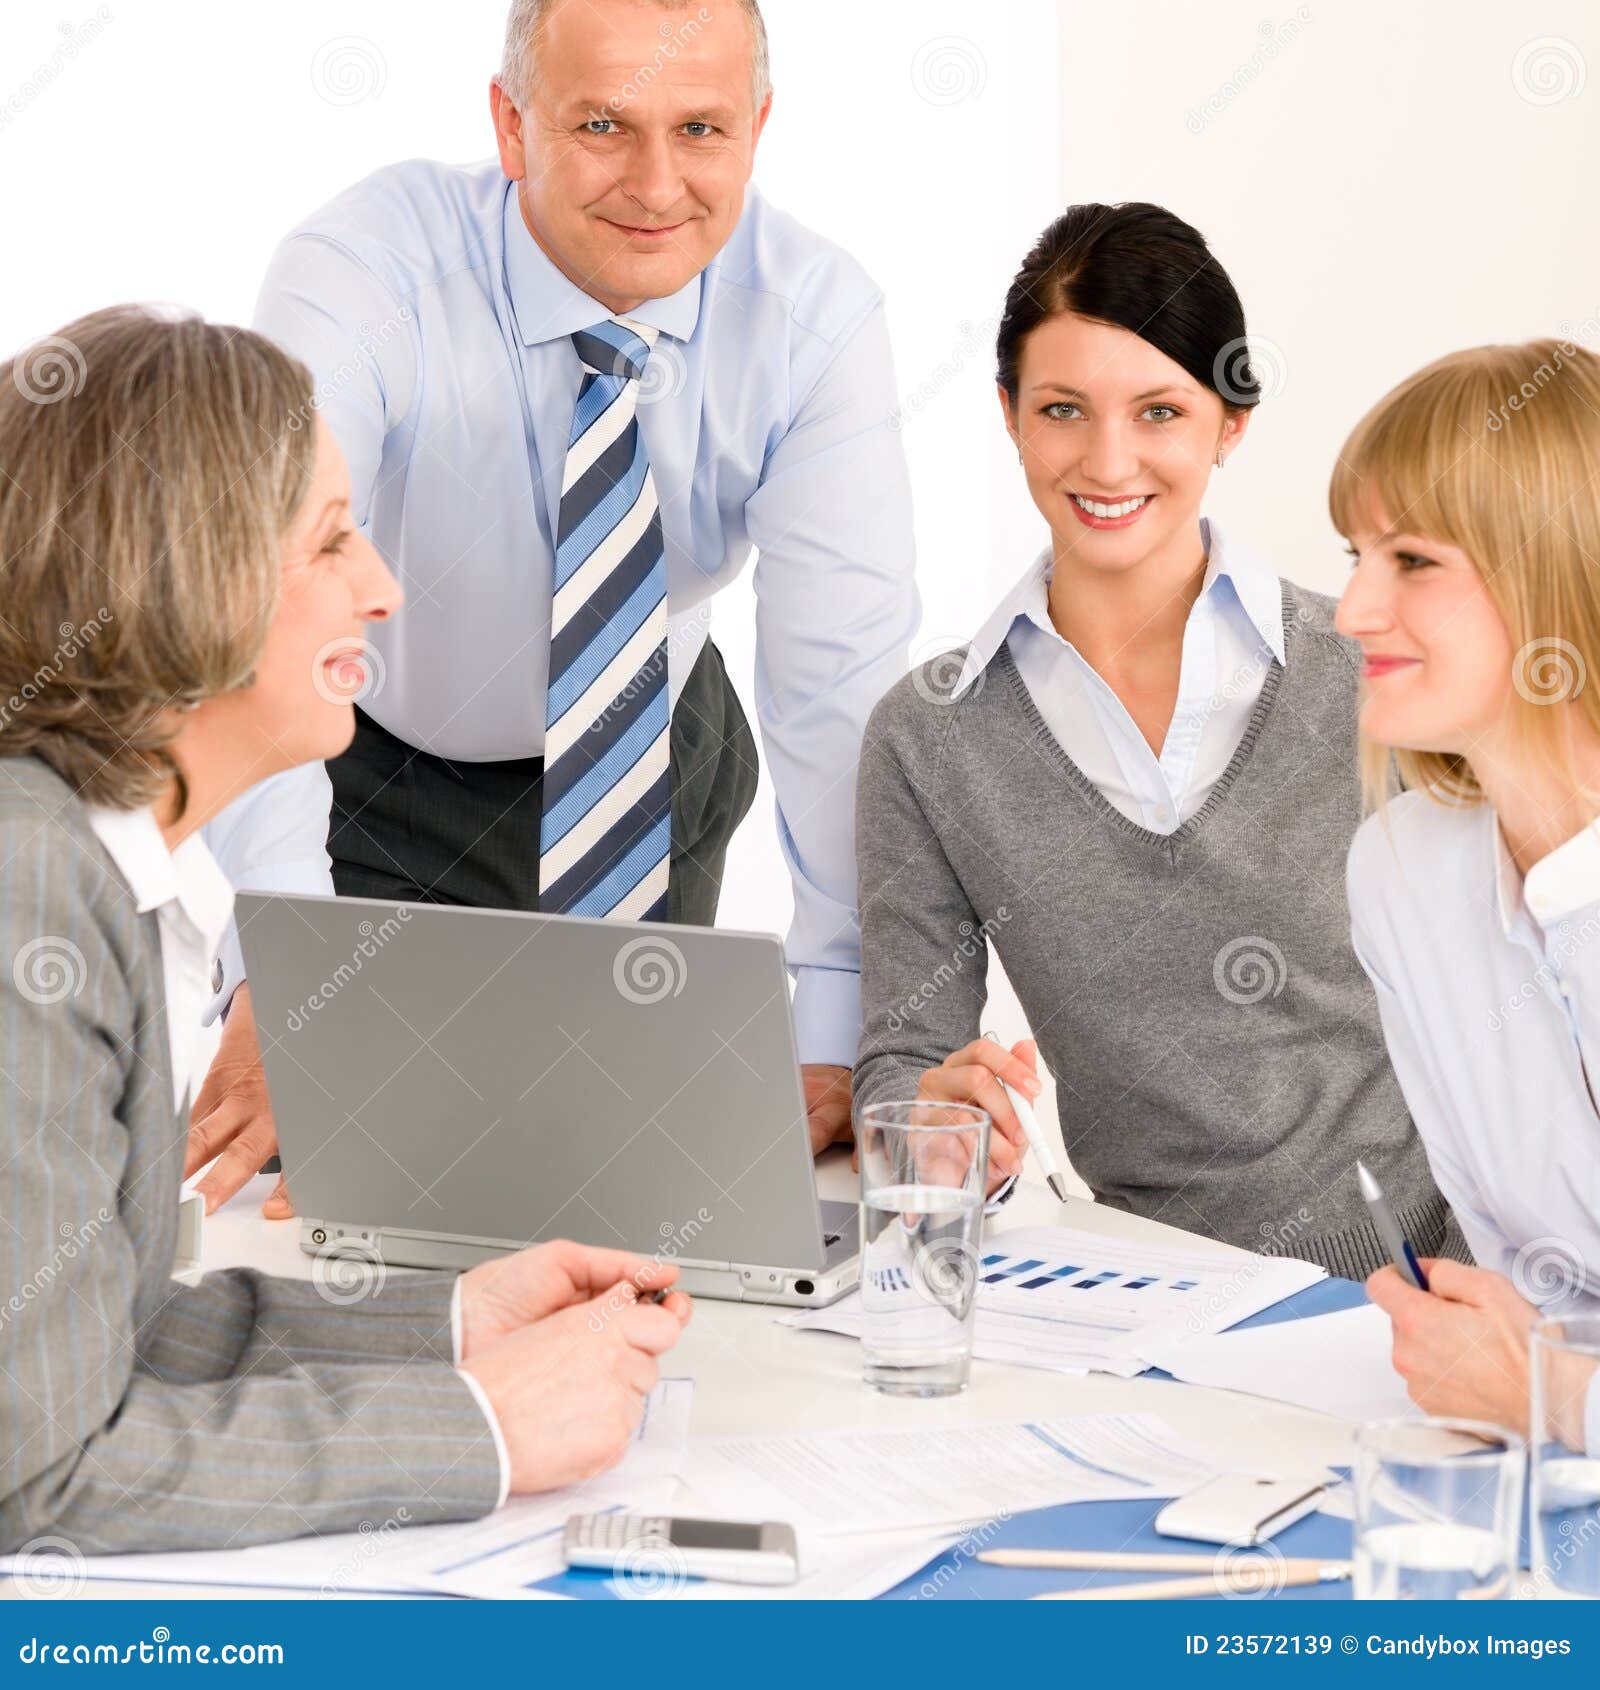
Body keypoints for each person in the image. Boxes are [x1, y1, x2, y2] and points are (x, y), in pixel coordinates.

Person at [189, 0, 919, 1217]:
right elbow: (265, 590)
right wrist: (279, 961)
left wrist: (837, 1014)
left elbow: (838, 686)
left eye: (700, 128)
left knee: (623, 1176)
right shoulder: (365, 270)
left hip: (650, 758)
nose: (655, 182)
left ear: (759, 128)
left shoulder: (814, 320)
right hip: (380, 769)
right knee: (356, 1188)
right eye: (601, 124)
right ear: (511, 124)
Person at [0, 306, 691, 1554]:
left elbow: (100, 1331)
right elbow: (37, 1472)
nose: (380, 590)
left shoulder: (88, 861)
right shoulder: (26, 884)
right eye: (331, 544)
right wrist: (478, 1426)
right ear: (184, 575)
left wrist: (450, 1323)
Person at [851, 203, 1463, 1278]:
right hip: (1138, 1293)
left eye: (1159, 411)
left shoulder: (1376, 674)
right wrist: (941, 1129)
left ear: (1230, 422)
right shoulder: (930, 735)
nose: (1107, 459)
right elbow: (905, 1060)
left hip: (1421, 1283)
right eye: (1062, 409)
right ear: (1008, 416)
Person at [1337, 338, 1600, 1454]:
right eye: (1353, 553)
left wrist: (1549, 1398)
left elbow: (1543, 1369)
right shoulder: (1401, 870)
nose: (1350, 608)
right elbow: (1518, 1286)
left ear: (1550, 567)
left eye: (1410, 560)